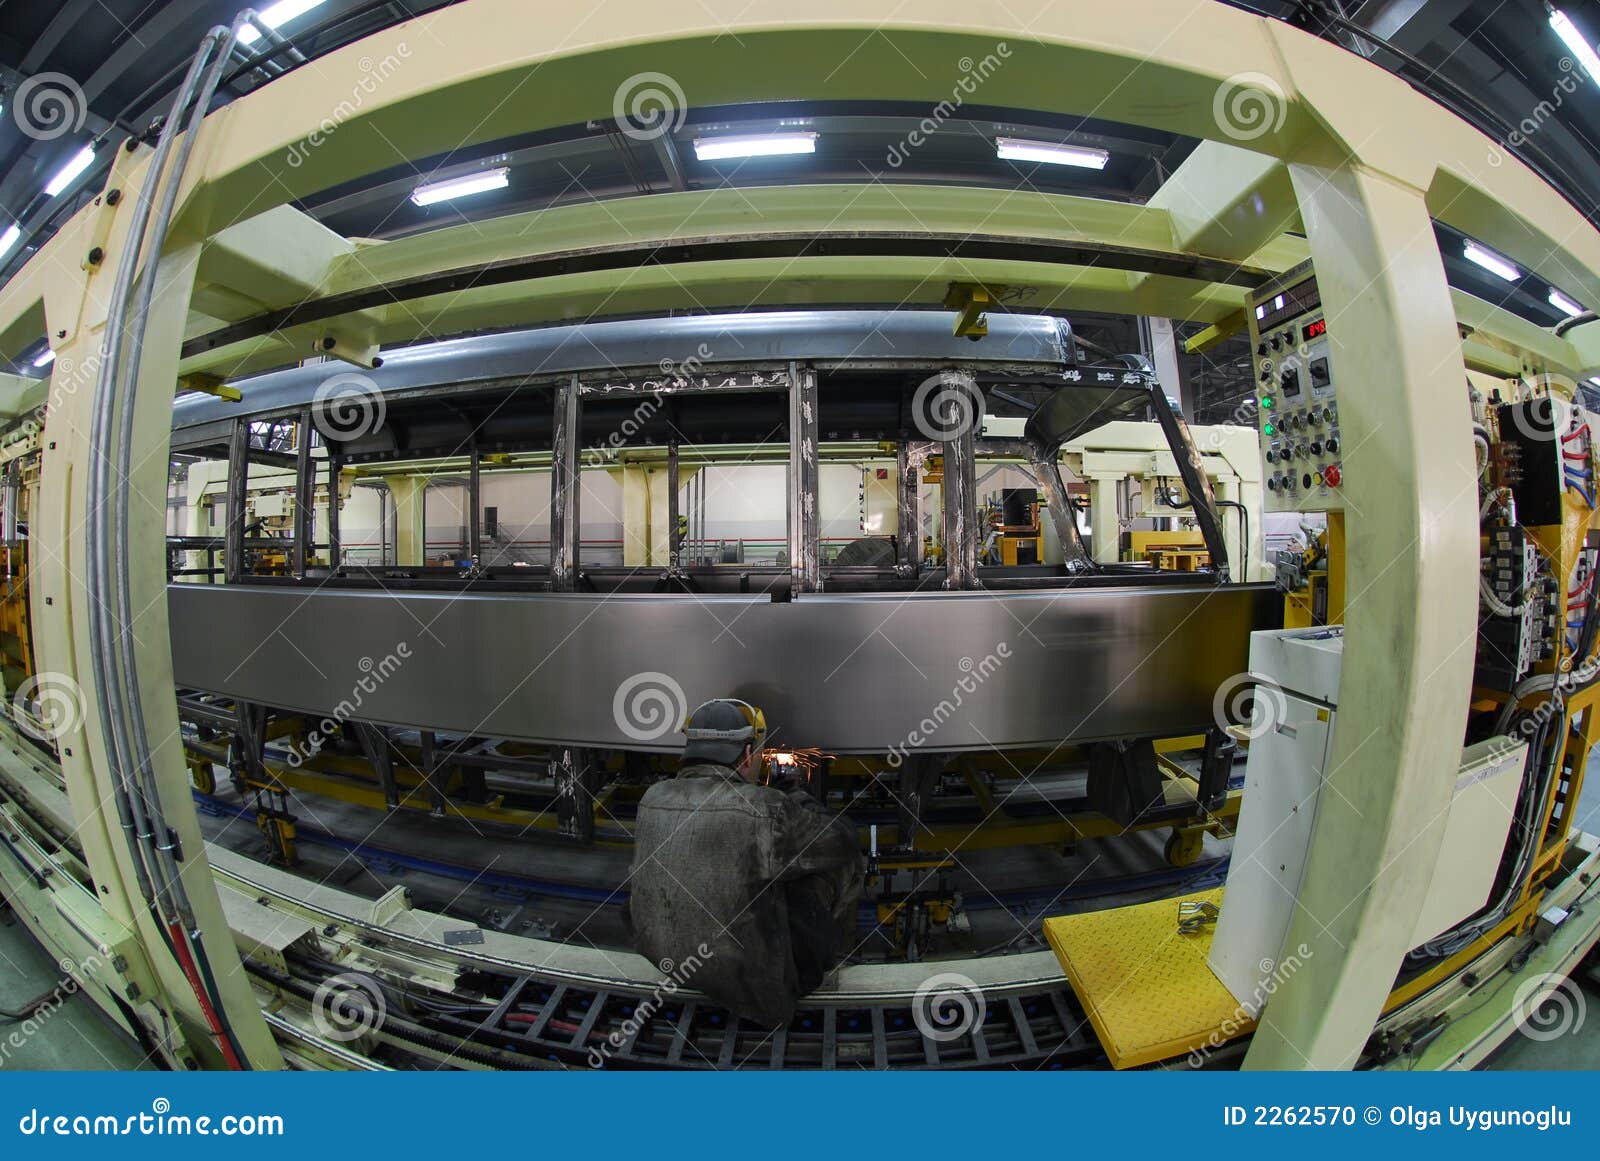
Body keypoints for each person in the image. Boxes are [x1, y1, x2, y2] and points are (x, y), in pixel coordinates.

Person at [629, 698, 862, 1029]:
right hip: (753, 987)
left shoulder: (651, 798)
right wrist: (797, 798)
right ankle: (832, 963)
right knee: (841, 864)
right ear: (749, 754)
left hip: (664, 960)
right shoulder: (764, 808)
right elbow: (843, 840)